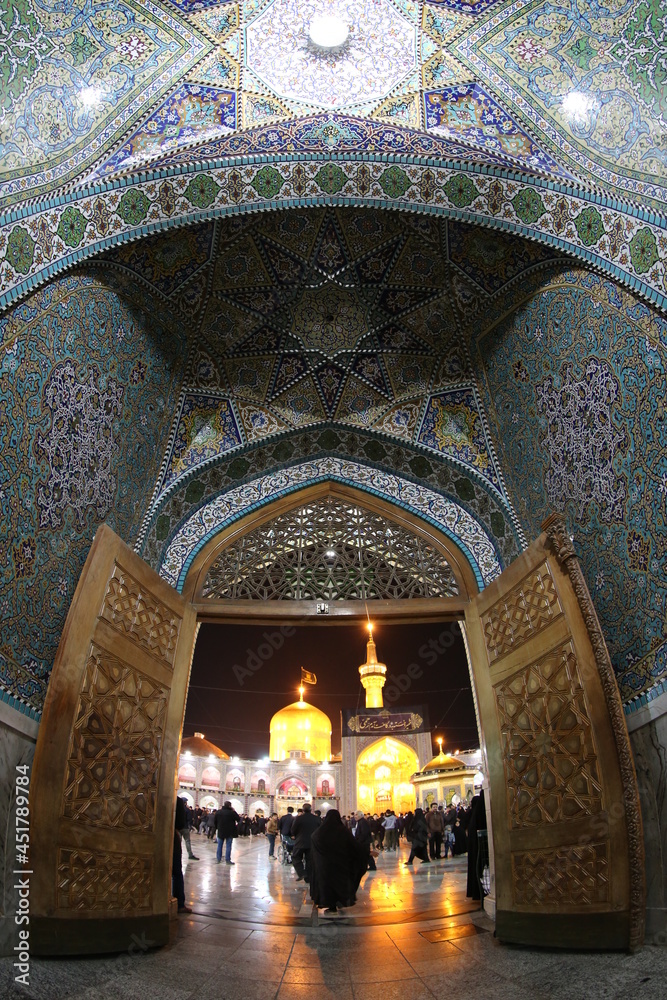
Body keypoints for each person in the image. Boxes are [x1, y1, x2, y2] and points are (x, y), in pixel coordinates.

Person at [310, 809, 366, 914]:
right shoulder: (343, 831)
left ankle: (331, 906)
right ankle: (341, 901)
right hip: (341, 865)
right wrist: (366, 852)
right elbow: (354, 846)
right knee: (340, 884)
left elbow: (313, 838)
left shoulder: (321, 831)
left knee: (328, 885)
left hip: (325, 866)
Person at [290, 802, 321, 883]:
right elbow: (320, 830)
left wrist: (296, 835)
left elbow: (293, 830)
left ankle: (302, 873)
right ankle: (309, 878)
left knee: (295, 857)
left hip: (300, 842)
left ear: (303, 810)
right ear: (311, 810)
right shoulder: (316, 819)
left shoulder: (298, 818)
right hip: (312, 842)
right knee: (310, 860)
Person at [466, 791, 487, 900]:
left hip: (474, 850)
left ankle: (476, 891)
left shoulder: (473, 817)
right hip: (480, 850)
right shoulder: (480, 815)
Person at [214, 800, 239, 864]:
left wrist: (217, 827)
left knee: (219, 845)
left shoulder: (218, 812)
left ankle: (218, 859)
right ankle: (227, 860)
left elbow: (215, 821)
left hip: (221, 831)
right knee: (228, 846)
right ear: (230, 806)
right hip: (230, 832)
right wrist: (234, 811)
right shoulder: (231, 813)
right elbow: (238, 819)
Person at [176, 796, 199, 860]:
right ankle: (190, 854)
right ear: (185, 803)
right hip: (185, 827)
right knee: (187, 841)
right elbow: (189, 819)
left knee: (178, 841)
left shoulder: (177, 809)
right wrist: (189, 826)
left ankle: (178, 853)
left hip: (178, 828)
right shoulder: (187, 810)